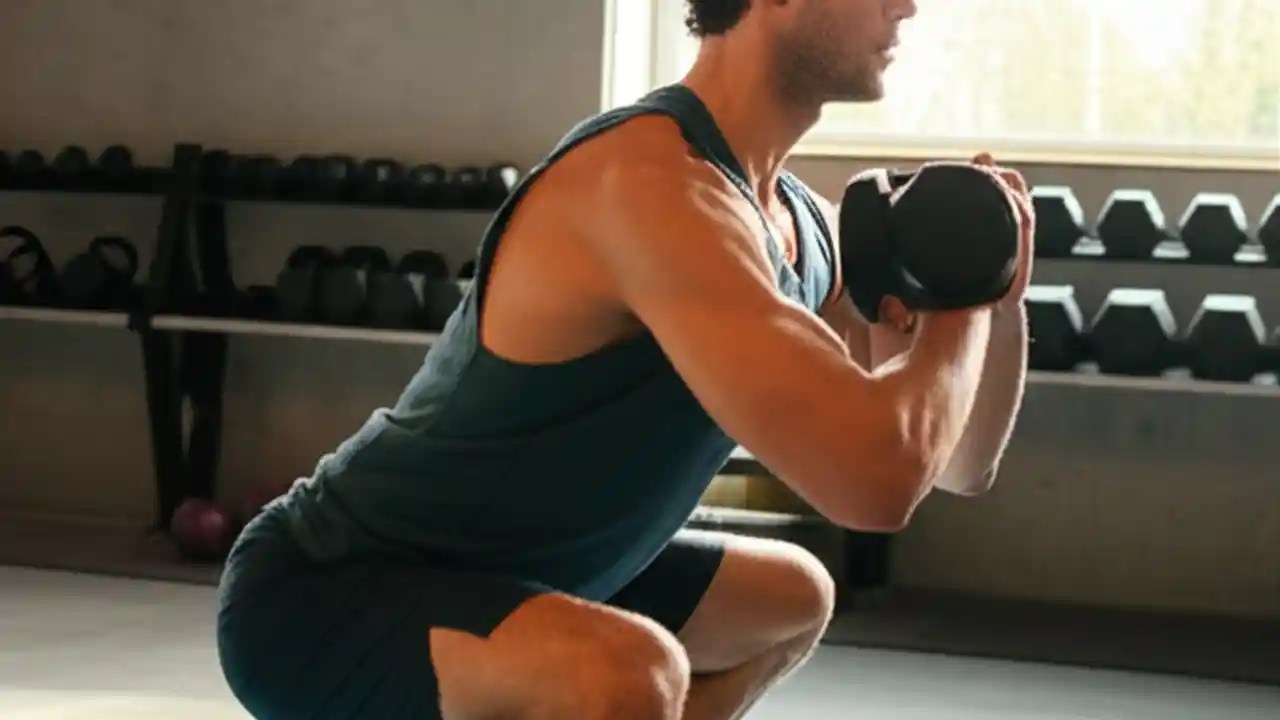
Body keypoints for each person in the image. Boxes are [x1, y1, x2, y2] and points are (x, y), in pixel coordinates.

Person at [216, 0, 1035, 718]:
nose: (908, 7)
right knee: (627, 673)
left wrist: (993, 296)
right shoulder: (651, 185)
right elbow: (875, 480)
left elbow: (956, 461)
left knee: (790, 598)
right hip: (330, 593)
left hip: (535, 580)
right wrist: (960, 296)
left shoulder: (800, 226)